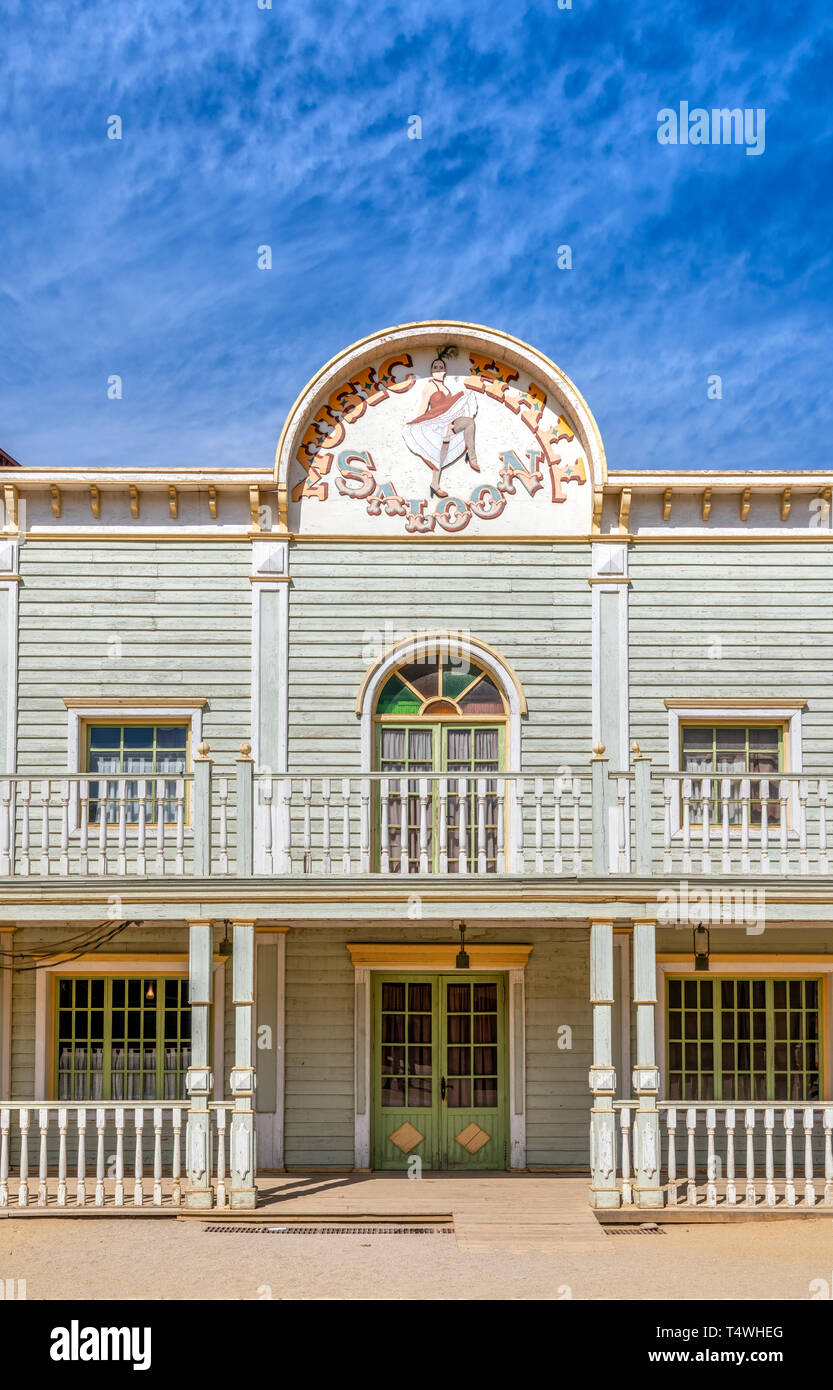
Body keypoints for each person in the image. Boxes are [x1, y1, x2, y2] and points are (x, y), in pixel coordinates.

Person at [402, 356, 479, 498]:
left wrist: (462, 395)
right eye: (435, 367)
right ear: (431, 371)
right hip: (436, 423)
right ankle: (435, 484)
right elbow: (424, 406)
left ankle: (471, 456)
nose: (438, 370)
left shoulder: (445, 387)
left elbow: (449, 405)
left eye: (441, 367)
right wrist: (417, 422)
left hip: (448, 421)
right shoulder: (430, 386)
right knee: (439, 455)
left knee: (469, 422)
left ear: (445, 371)